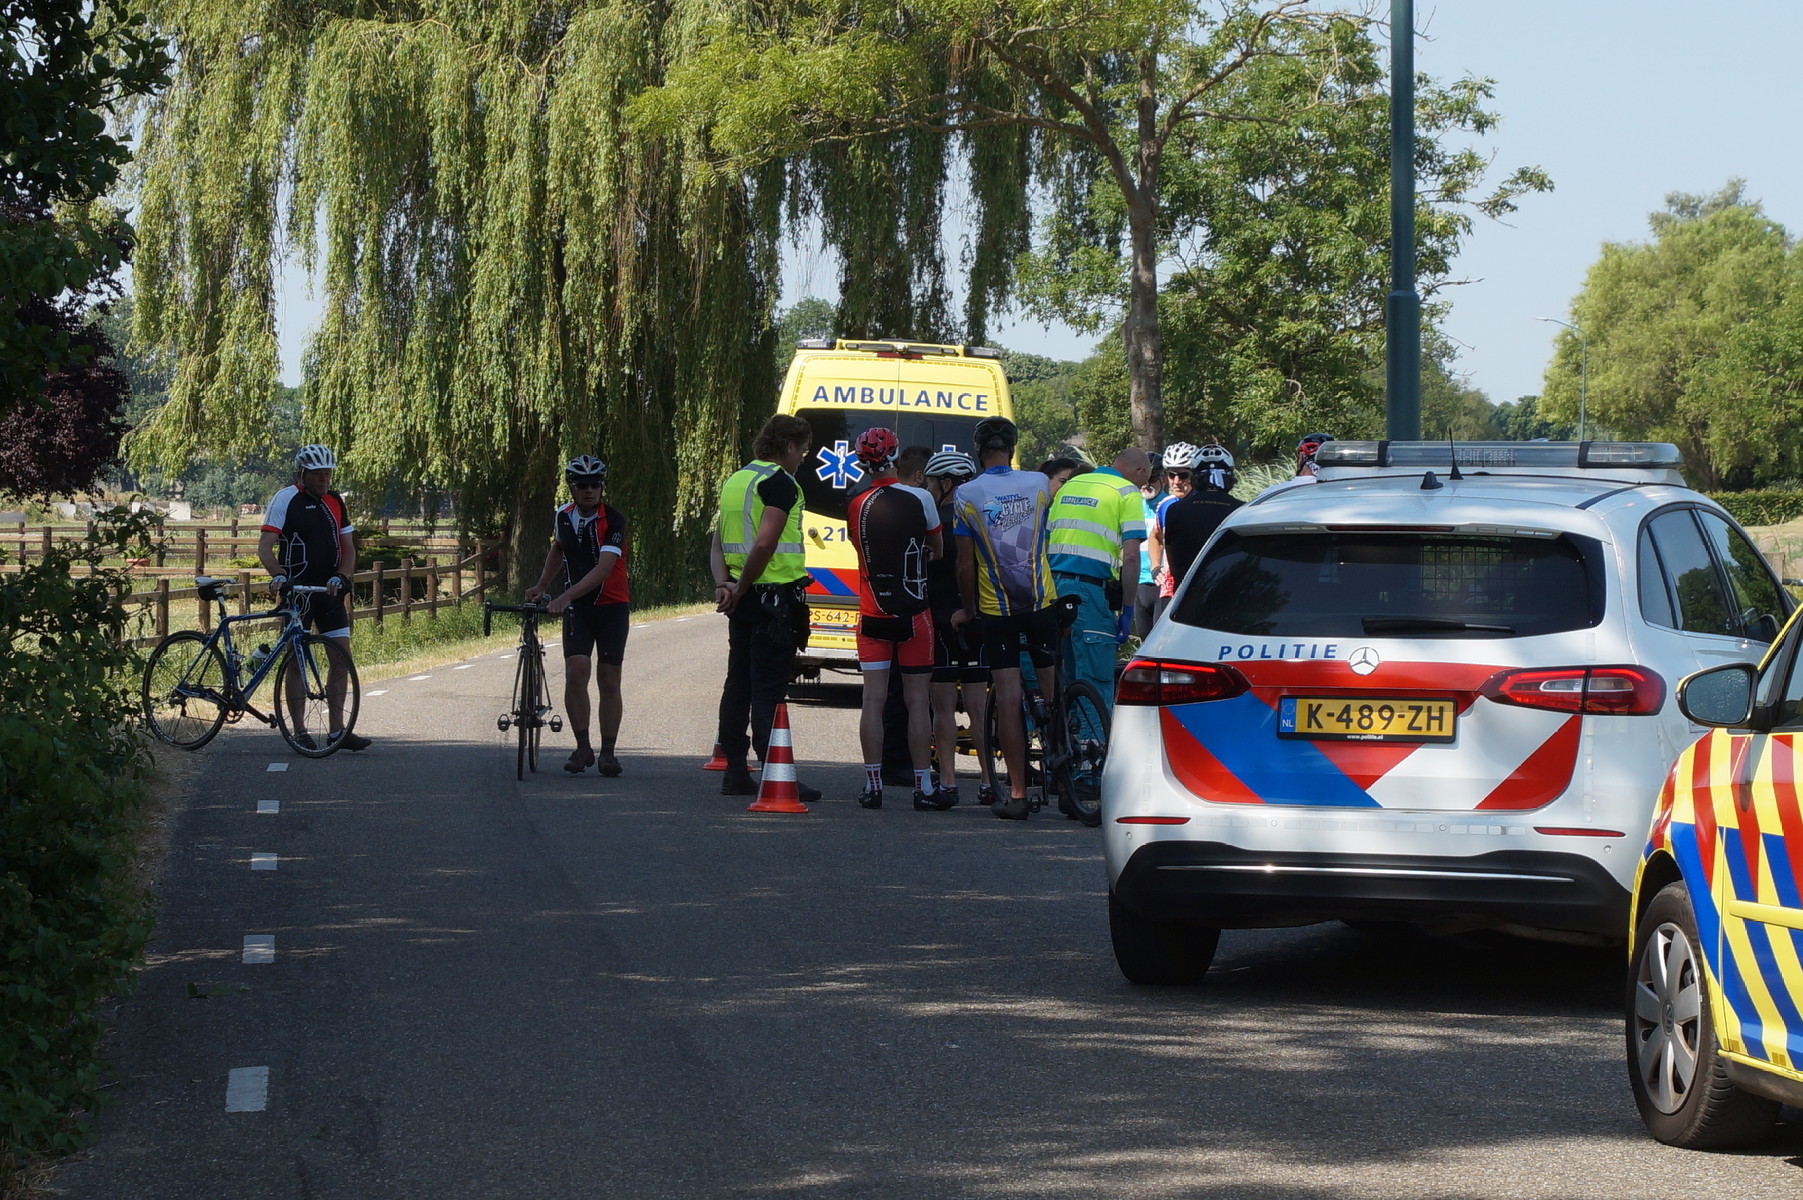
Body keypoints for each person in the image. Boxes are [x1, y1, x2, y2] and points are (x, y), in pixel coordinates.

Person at [950, 416, 1058, 820]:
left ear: (979, 451)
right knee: (1052, 692)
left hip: (998, 610)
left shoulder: (967, 493)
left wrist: (970, 609)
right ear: (1012, 449)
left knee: (1010, 698)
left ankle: (1016, 794)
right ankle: (1065, 773)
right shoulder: (1038, 484)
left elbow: (964, 565)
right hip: (1041, 600)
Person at [709, 414, 822, 800]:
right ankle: (775, 773)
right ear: (789, 447)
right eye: (802, 450)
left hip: (741, 598)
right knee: (769, 688)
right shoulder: (780, 484)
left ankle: (736, 771)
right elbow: (764, 544)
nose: (802, 457)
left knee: (737, 683)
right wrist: (740, 587)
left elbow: (717, 545)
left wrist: (724, 585)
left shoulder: (737, 480)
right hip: (772, 597)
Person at [845, 429, 946, 811]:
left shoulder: (856, 502)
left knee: (873, 699)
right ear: (897, 457)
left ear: (861, 461)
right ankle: (924, 787)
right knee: (917, 701)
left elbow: (860, 547)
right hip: (914, 612)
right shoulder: (920, 497)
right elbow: (936, 546)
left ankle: (873, 785)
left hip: (872, 611)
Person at [257, 443, 369, 752]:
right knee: (296, 661)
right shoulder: (286, 499)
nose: (323, 480)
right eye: (317, 474)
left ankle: (337, 731)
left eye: (327, 474)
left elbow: (349, 548)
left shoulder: (335, 501)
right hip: (297, 591)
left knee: (341, 657)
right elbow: (265, 547)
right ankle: (300, 730)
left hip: (329, 590)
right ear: (302, 473)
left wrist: (342, 576)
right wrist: (279, 575)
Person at [525, 455, 630, 777]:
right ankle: (583, 746)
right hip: (579, 609)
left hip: (612, 606)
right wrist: (543, 585)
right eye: (581, 485)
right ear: (571, 486)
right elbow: (559, 549)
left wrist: (564, 595)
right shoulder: (563, 514)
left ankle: (608, 752)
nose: (589, 490)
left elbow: (605, 567)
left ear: (602, 487)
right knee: (576, 671)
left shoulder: (614, 519)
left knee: (609, 679)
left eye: (595, 484)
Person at [1046, 446, 1151, 714]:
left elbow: (1047, 539)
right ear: (1139, 470)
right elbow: (1130, 558)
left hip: (1053, 589)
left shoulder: (1071, 485)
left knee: (1067, 674)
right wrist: (1128, 610)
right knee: (1095, 679)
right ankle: (1091, 749)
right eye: (1146, 477)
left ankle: (1064, 746)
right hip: (1090, 594)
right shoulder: (1127, 492)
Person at [922, 450, 990, 806]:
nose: (929, 490)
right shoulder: (981, 522)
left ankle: (947, 781)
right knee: (980, 707)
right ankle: (987, 780)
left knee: (943, 705)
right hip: (978, 617)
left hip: (940, 618)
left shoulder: (933, 524)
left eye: (932, 483)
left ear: (946, 484)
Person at [1161, 444, 1244, 600]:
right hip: (1230, 595)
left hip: (1186, 597)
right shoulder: (1242, 510)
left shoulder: (1175, 510)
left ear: (1196, 477)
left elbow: (1172, 561)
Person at [1147, 441, 1198, 623]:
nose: (1176, 481)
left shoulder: (1203, 503)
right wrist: (1155, 566)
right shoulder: (1165, 505)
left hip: (1197, 585)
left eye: (1183, 475)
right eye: (1171, 475)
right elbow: (1155, 536)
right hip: (1169, 587)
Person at [1133, 451, 1165, 639]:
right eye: (1143, 478)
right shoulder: (1132, 504)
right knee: (1145, 643)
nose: (1147, 484)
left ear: (1163, 479)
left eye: (1152, 478)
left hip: (1161, 584)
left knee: (1159, 644)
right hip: (1138, 584)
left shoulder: (1169, 505)